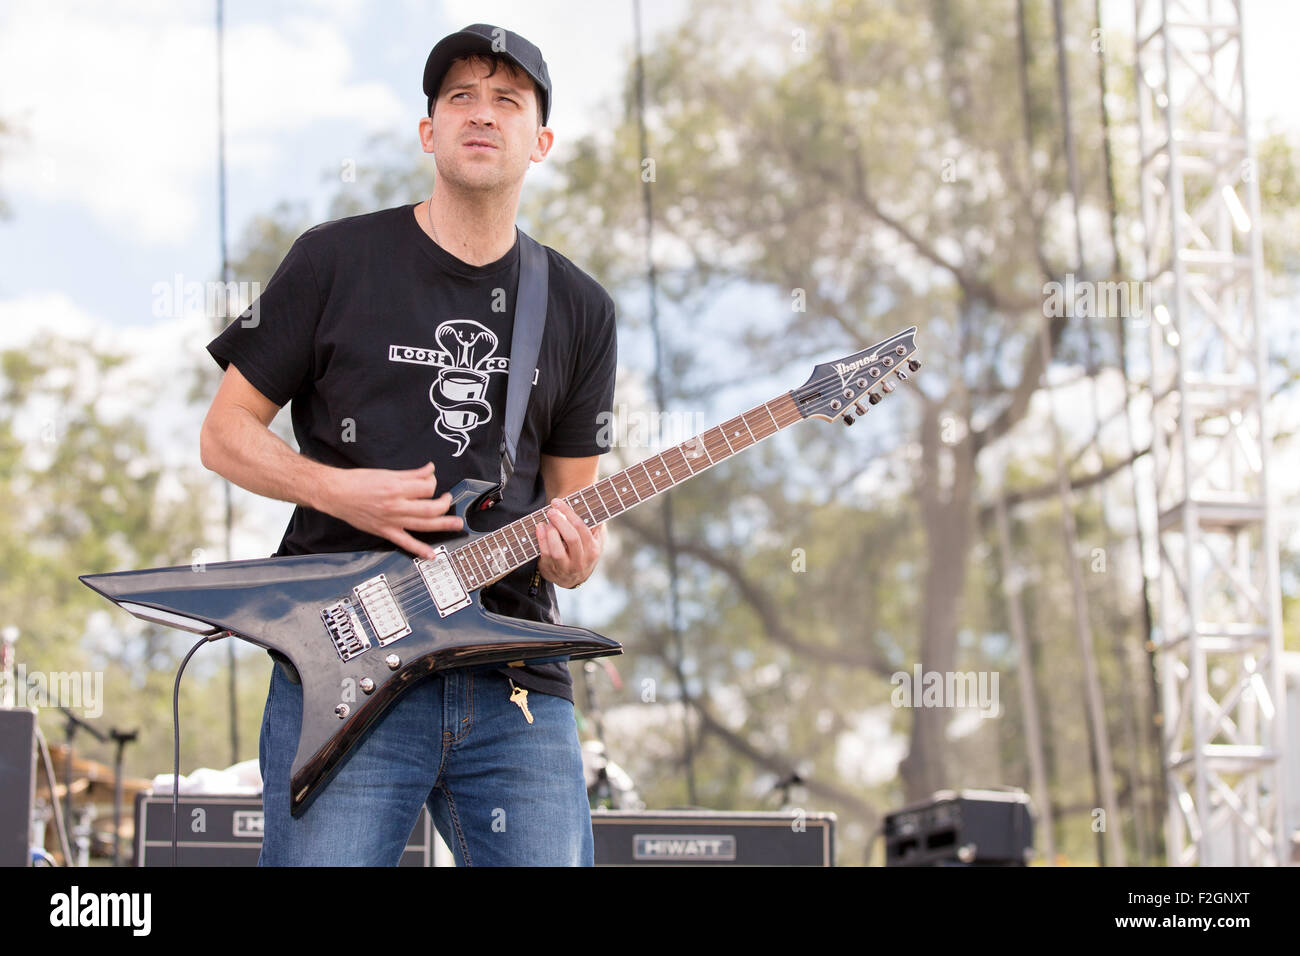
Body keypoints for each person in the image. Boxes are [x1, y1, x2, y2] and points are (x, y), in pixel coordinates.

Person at [200, 23, 618, 866]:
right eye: (461, 96)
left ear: (540, 141)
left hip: (513, 680)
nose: (482, 113)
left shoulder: (580, 307)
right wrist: (334, 489)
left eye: (508, 100)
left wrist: (576, 559)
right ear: (429, 131)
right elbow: (224, 435)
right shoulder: (334, 259)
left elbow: (578, 513)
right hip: (346, 658)